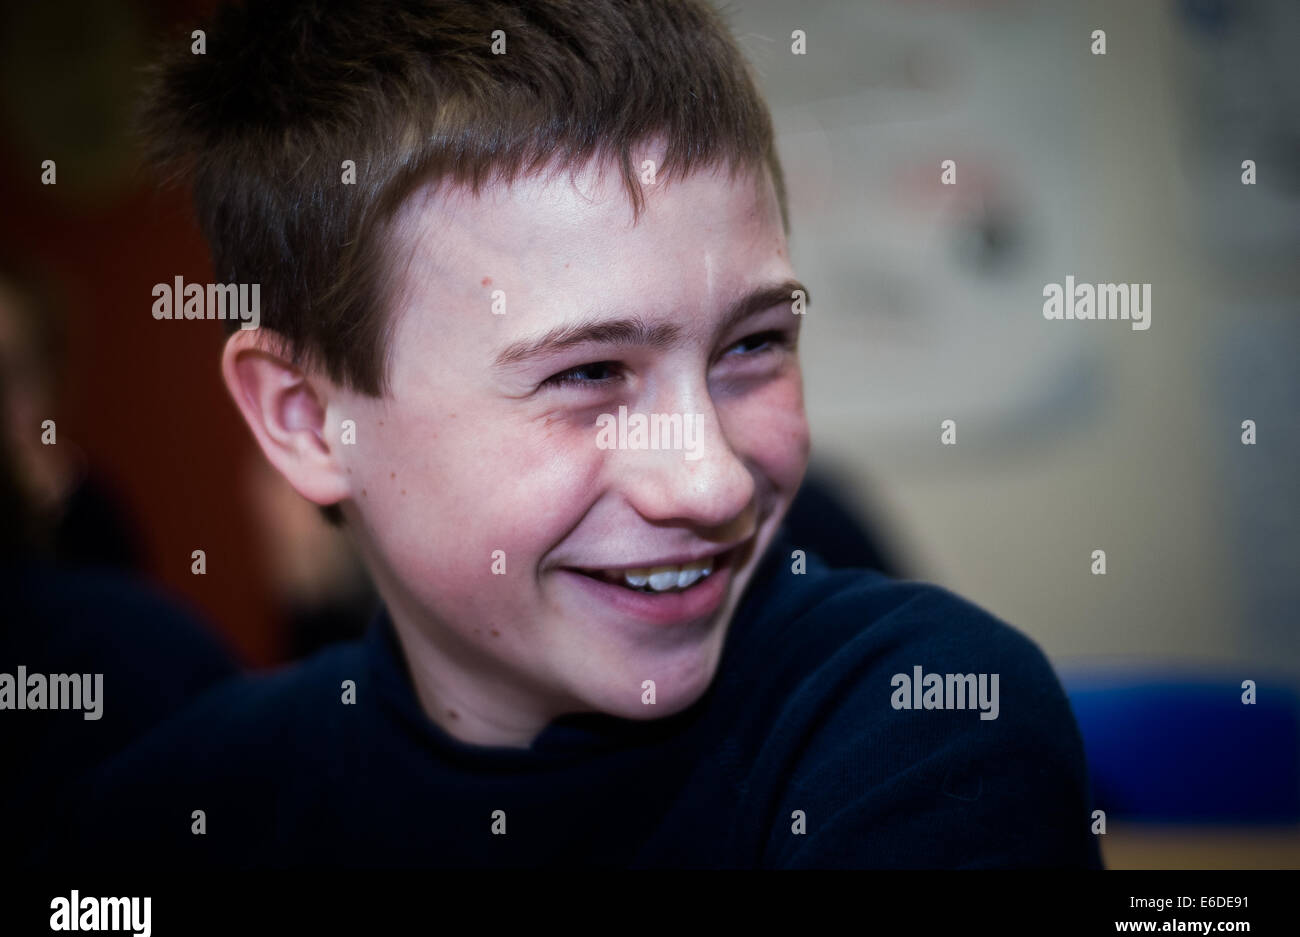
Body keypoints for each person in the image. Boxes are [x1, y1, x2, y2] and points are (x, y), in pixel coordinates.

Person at [53, 0, 1102, 868]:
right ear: (308, 420)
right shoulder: (173, 809)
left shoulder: (922, 723)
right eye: (589, 372)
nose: (710, 481)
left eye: (752, 345)